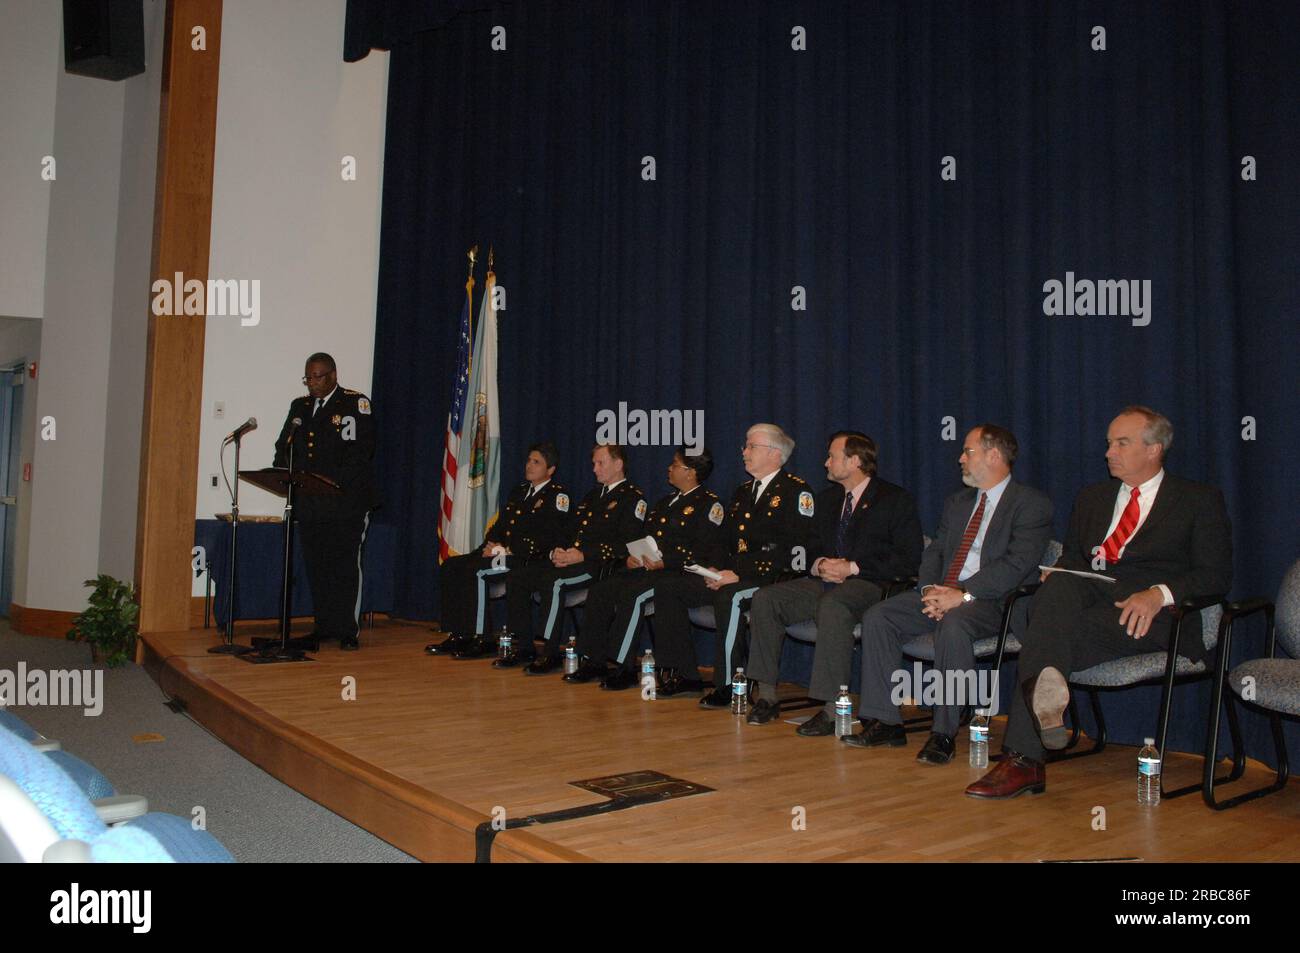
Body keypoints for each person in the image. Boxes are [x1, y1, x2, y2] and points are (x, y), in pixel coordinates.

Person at [966, 407, 1232, 798]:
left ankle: (1024, 760)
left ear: (1154, 449)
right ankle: (1032, 739)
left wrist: (1159, 594)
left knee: (1044, 636)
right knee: (1055, 590)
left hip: (1146, 614)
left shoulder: (1198, 499)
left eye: (1121, 443)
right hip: (1088, 596)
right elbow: (1074, 558)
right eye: (1109, 443)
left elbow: (1216, 575)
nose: (1109, 452)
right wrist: (1056, 569)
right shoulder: (1093, 497)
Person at [845, 424, 1052, 764]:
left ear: (994, 455)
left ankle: (943, 732)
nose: (960, 458)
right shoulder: (957, 502)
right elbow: (935, 552)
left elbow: (1017, 565)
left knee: (954, 624)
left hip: (996, 601)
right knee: (879, 616)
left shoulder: (1030, 504)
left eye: (968, 451)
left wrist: (963, 593)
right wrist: (929, 590)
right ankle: (885, 721)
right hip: (944, 592)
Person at [744, 432, 923, 732]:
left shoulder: (894, 499)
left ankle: (831, 709)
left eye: (832, 456)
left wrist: (852, 567)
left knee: (834, 606)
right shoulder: (826, 500)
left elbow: (908, 558)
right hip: (825, 582)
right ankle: (767, 695)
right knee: (767, 598)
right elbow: (810, 545)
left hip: (871, 583)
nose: (826, 462)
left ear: (854, 461)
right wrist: (818, 564)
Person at [650, 423, 819, 708]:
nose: (744, 452)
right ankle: (685, 675)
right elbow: (724, 541)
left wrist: (738, 573)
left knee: (731, 596)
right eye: (745, 445)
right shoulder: (742, 493)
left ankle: (728, 685)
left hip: (772, 579)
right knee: (669, 587)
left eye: (751, 446)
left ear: (774, 454)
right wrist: (714, 569)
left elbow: (795, 553)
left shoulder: (796, 492)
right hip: (734, 574)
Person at [563, 447, 726, 691]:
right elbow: (645, 538)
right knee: (602, 589)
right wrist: (633, 556)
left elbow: (703, 551)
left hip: (678, 573)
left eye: (675, 464)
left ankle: (623, 666)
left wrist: (666, 561)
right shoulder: (664, 502)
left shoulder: (710, 505)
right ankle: (593, 660)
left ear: (690, 472)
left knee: (633, 595)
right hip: (649, 568)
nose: (669, 468)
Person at [501, 444, 645, 674]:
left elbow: (626, 543)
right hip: (577, 560)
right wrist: (563, 551)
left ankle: (549, 652)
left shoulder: (632, 498)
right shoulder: (592, 496)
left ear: (618, 465)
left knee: (553, 581)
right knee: (519, 577)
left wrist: (583, 554)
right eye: (593, 464)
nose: (594, 469)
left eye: (600, 463)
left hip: (601, 565)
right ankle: (524, 646)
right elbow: (572, 531)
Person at [272, 352, 378, 651]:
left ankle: (347, 630)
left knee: (344, 566)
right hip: (310, 502)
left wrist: (331, 481)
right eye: (308, 377)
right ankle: (324, 626)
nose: (311, 383)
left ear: (332, 375)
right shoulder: (300, 407)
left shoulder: (354, 404)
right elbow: (285, 446)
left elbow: (360, 452)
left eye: (317, 377)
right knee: (317, 565)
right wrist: (285, 468)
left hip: (346, 502)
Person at [424, 442, 570, 657]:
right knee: (452, 565)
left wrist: (507, 549)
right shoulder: (519, 492)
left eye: (536, 462)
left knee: (478, 571)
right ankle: (458, 634)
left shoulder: (557, 497)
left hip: (526, 559)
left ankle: (482, 638)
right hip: (503, 553)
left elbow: (549, 537)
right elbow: (500, 526)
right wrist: (491, 544)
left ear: (550, 470)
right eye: (529, 460)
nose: (529, 465)